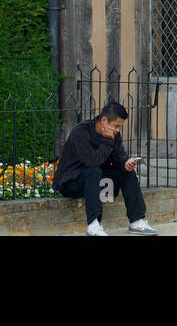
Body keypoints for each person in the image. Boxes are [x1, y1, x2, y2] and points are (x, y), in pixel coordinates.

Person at [53, 100, 158, 236]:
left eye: (120, 127)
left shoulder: (114, 135)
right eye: (116, 126)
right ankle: (93, 225)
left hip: (95, 182)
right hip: (71, 183)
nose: (117, 130)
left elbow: (118, 155)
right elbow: (91, 162)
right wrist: (108, 141)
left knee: (126, 172)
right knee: (94, 171)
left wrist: (126, 162)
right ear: (104, 120)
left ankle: (136, 221)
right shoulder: (80, 132)